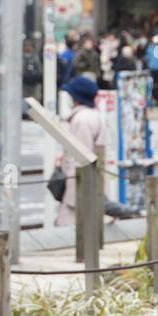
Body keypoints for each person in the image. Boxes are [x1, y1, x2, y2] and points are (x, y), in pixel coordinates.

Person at [54, 77, 105, 227]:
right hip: (88, 182)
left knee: (68, 229)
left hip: (80, 186)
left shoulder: (81, 120)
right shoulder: (93, 116)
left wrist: (72, 194)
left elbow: (80, 157)